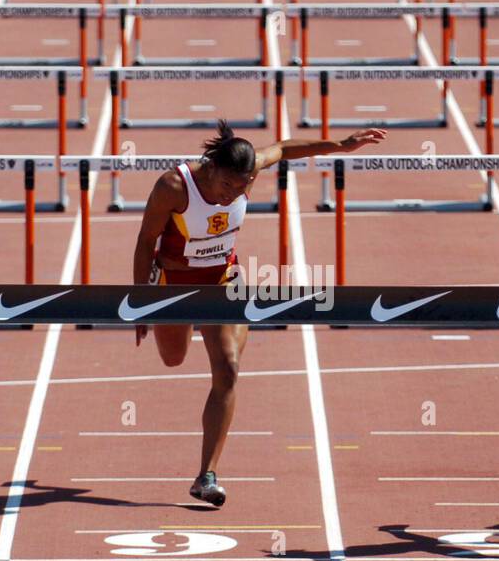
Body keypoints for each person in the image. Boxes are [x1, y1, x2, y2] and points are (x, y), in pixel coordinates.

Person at [132, 120, 385, 506]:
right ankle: (175, 318)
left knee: (228, 368)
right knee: (173, 358)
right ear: (212, 167)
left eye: (242, 186)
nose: (233, 194)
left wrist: (342, 145)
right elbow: (146, 239)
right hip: (175, 282)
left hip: (223, 280)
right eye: (228, 186)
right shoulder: (174, 186)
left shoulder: (247, 172)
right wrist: (141, 303)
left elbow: (283, 147)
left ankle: (207, 475)